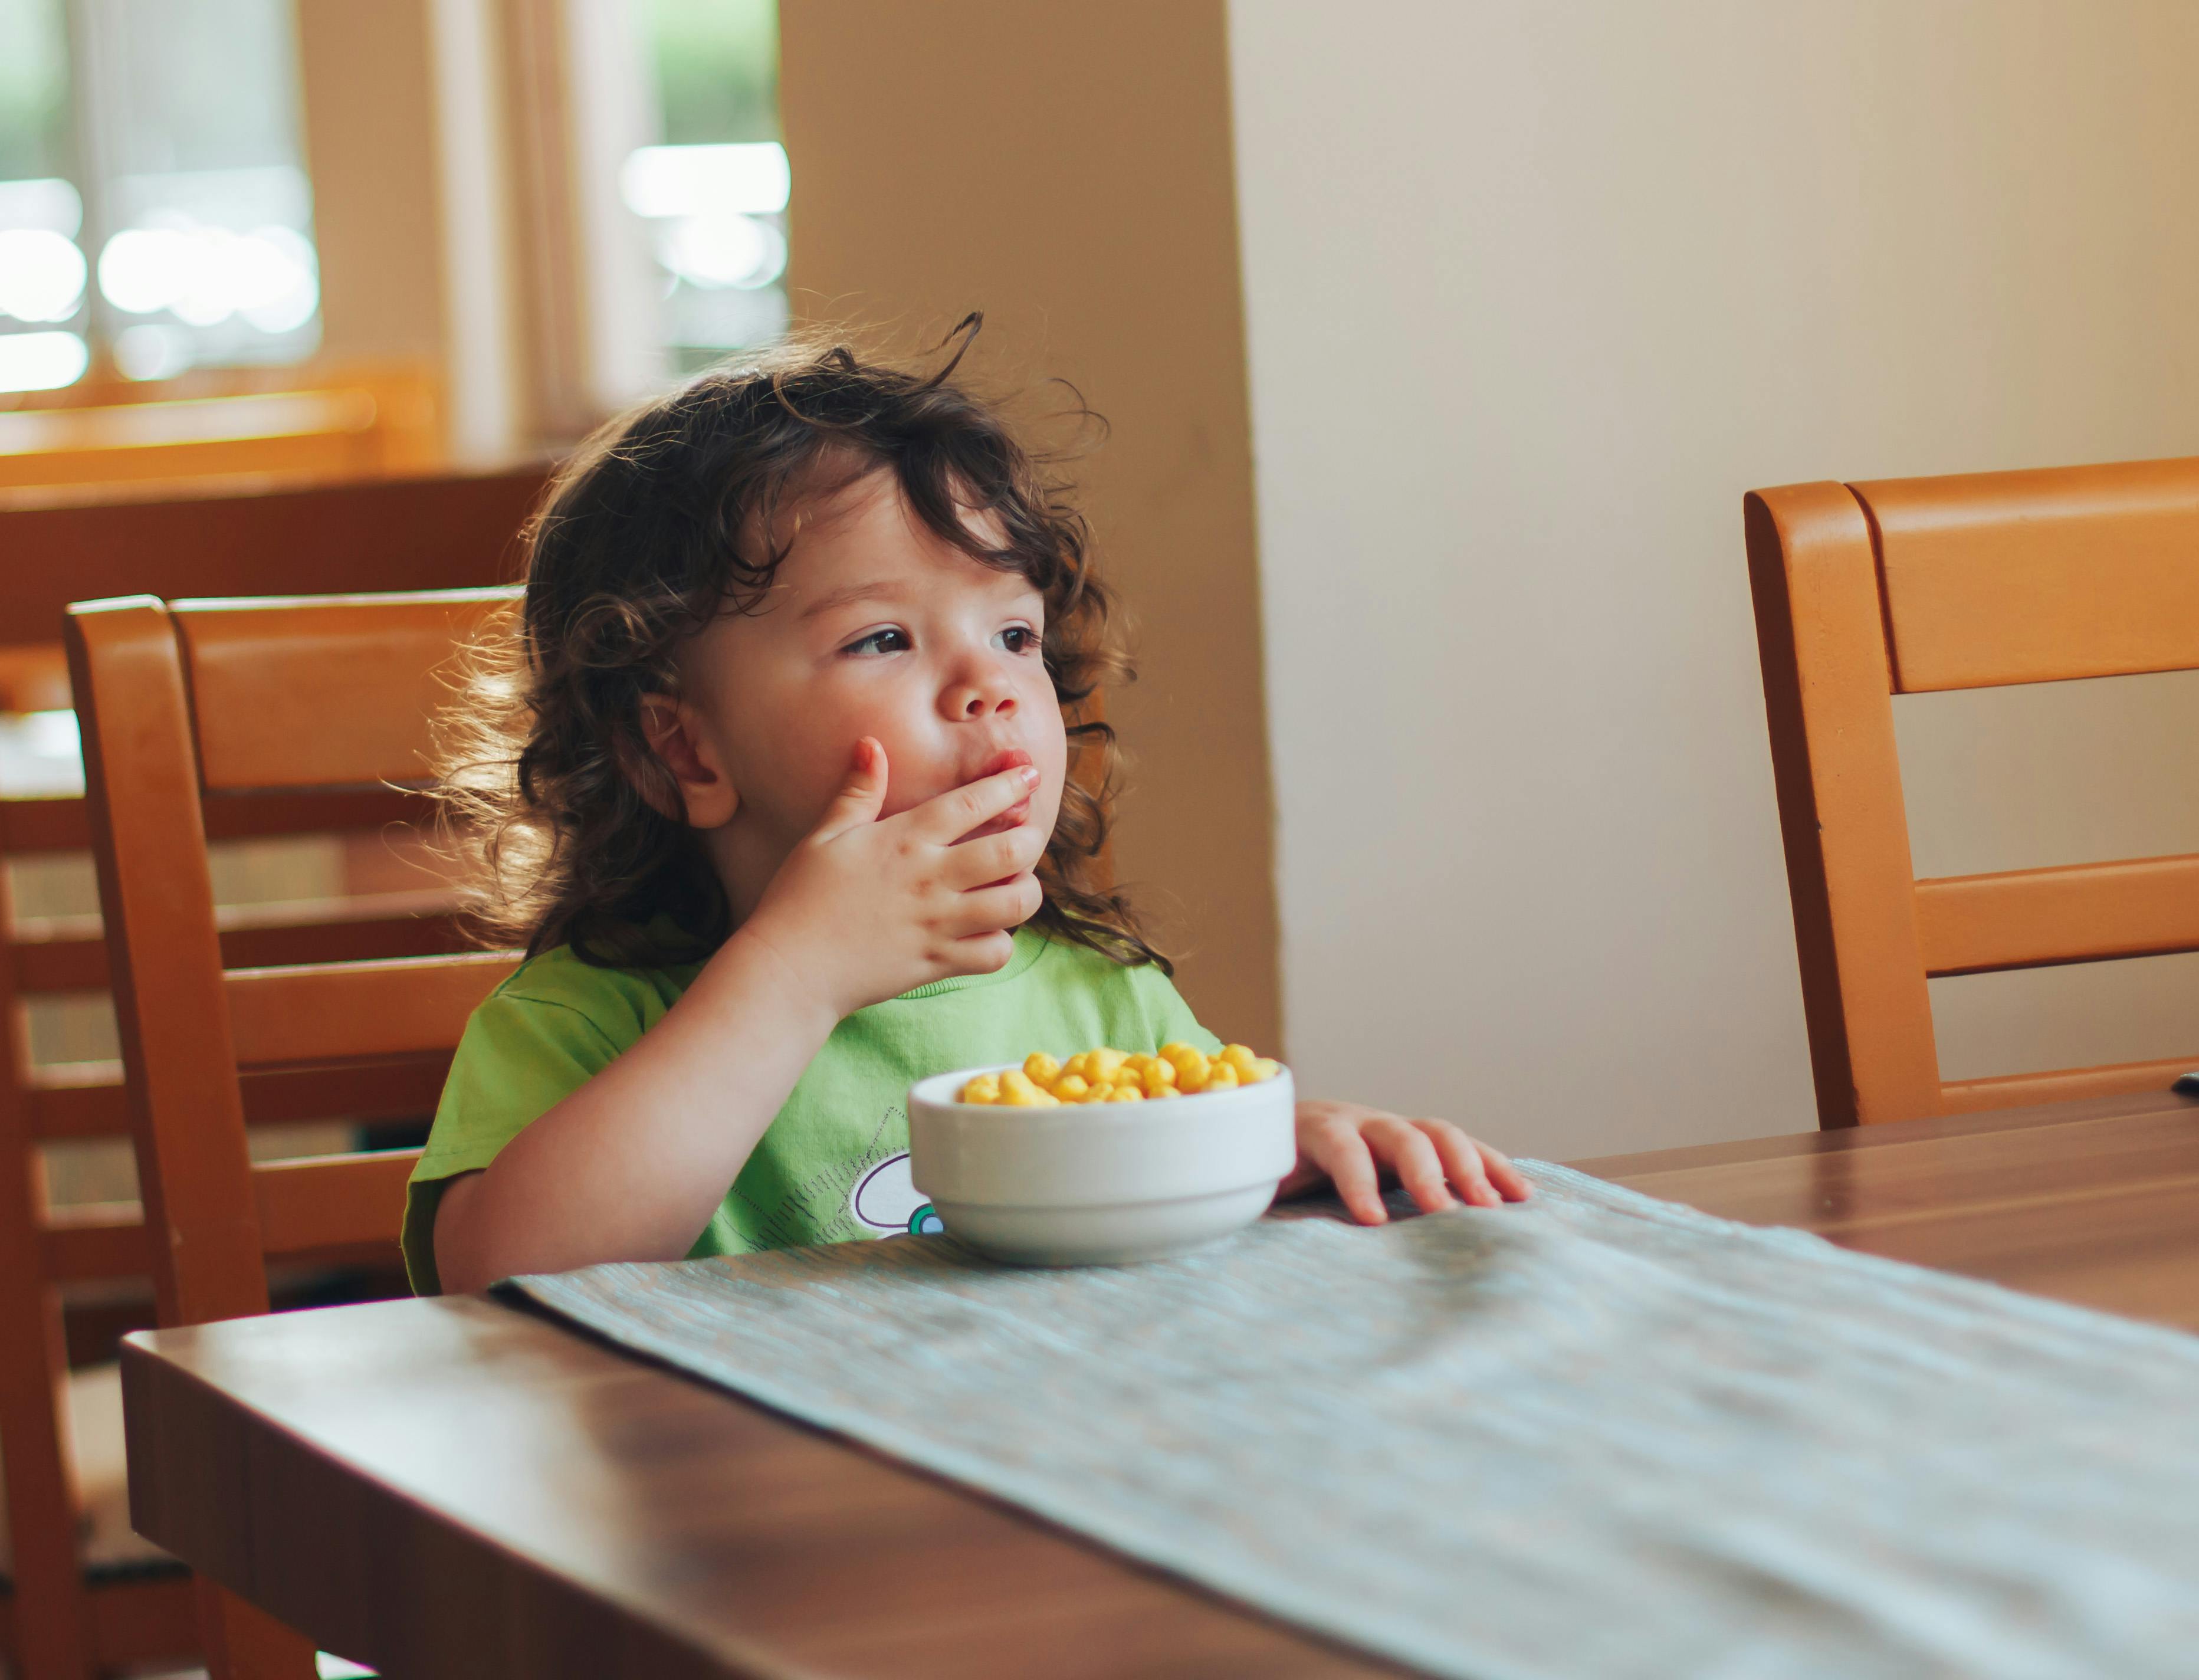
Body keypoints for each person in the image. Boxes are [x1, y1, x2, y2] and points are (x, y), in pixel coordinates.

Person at [409, 323, 1530, 1293]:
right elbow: (509, 1284)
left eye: (1015, 635)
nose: (990, 683)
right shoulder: (587, 1023)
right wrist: (795, 975)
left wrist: (1276, 1151)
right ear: (683, 747)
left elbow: (1175, 1218)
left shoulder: (1100, 998)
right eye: (884, 638)